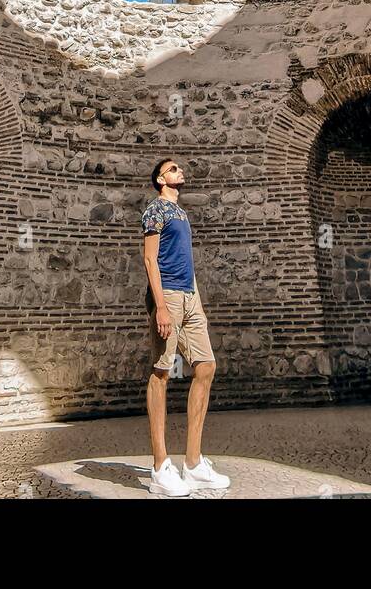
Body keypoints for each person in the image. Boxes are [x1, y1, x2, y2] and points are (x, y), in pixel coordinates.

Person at [141, 158, 230, 496]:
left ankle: (192, 463)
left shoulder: (181, 213)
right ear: (161, 179)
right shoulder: (155, 210)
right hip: (168, 298)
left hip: (190, 296)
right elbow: (150, 259)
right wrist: (161, 306)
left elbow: (184, 259)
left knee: (206, 366)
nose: (180, 171)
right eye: (173, 169)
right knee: (161, 372)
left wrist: (197, 298)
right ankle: (160, 467)